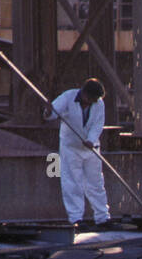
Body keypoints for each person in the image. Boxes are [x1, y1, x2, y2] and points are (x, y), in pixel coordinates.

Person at [44, 79, 111, 229]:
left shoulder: (99, 103)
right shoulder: (68, 97)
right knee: (72, 182)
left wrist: (91, 139)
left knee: (96, 183)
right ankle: (76, 218)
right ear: (84, 94)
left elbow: (98, 124)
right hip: (71, 147)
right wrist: (48, 111)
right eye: (90, 100)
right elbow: (53, 113)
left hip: (91, 147)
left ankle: (102, 217)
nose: (91, 103)